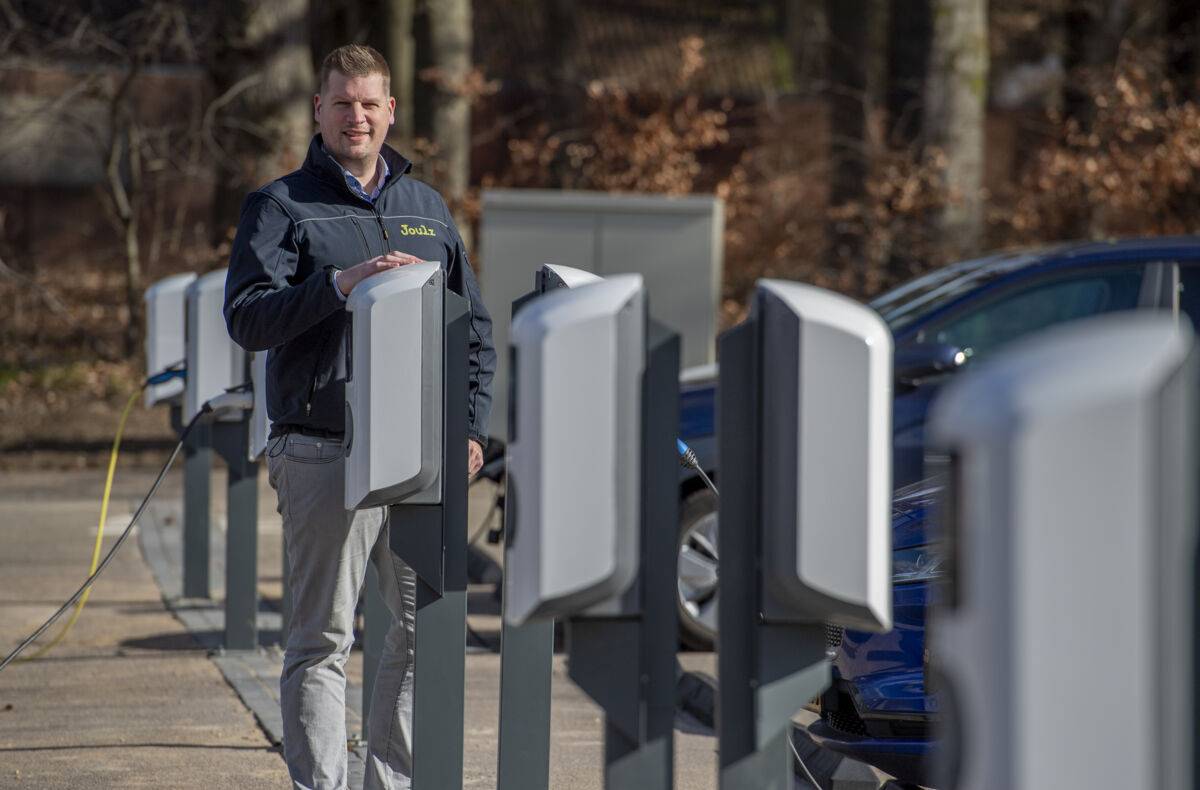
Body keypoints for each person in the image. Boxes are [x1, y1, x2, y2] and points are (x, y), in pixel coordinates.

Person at [223, 44, 494, 790]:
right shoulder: (280, 206)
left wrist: (470, 428)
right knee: (322, 641)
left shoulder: (426, 209)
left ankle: (391, 783)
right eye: (342, 103)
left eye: (370, 103)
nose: (357, 117)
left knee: (419, 637)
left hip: (419, 456)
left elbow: (473, 329)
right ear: (319, 109)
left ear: (391, 111)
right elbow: (248, 320)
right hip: (323, 453)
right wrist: (340, 284)